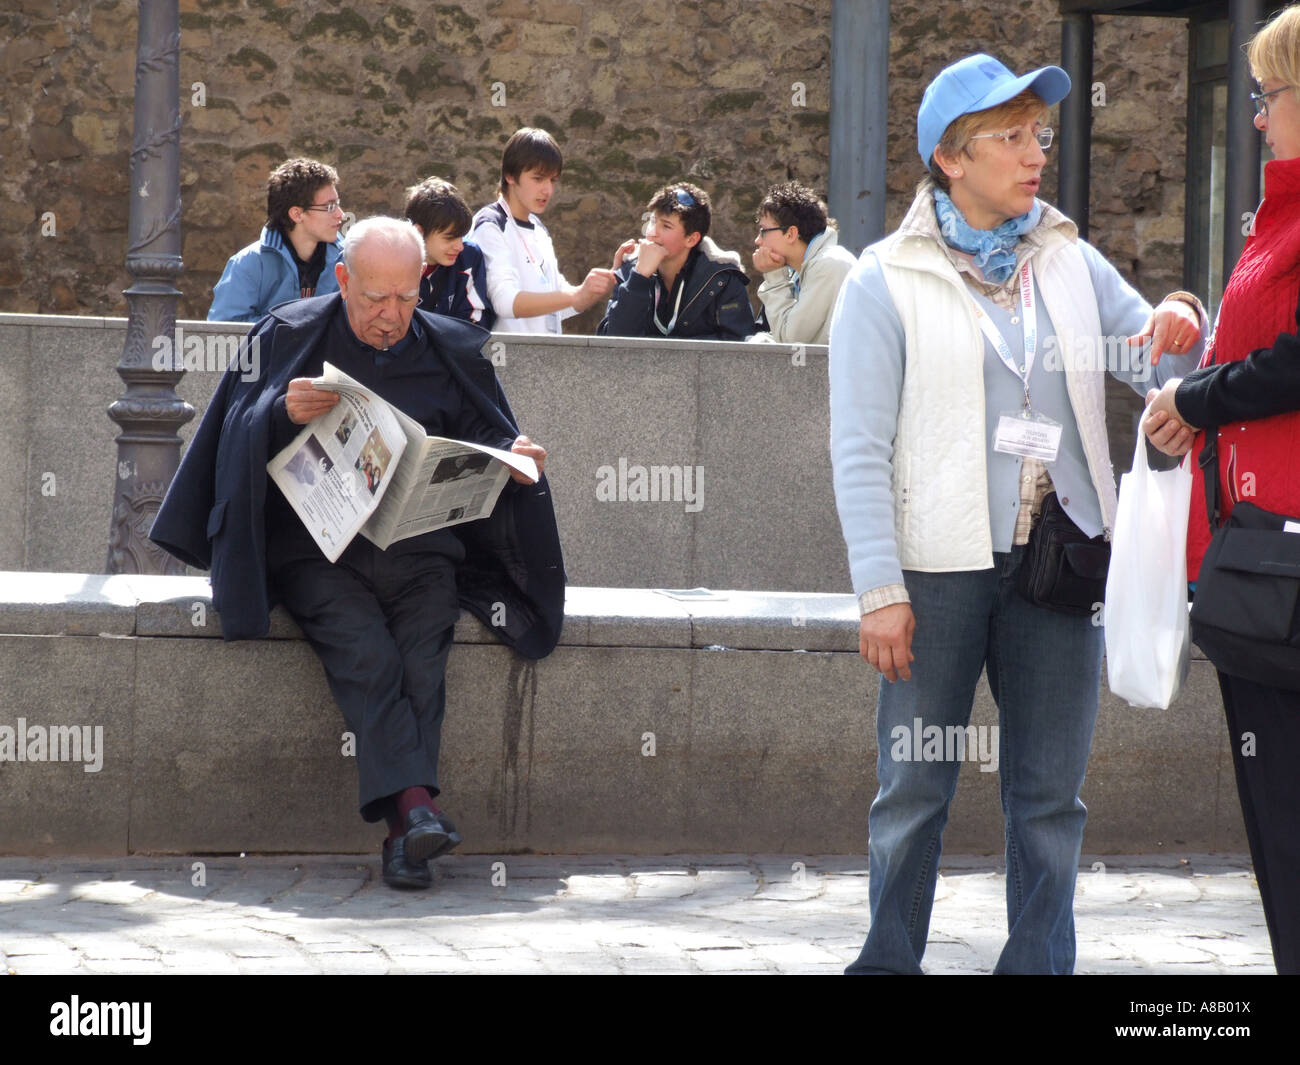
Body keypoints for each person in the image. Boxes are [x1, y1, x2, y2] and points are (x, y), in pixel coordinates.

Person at [828, 52, 1205, 974]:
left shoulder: (1066, 256)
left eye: (1040, 134)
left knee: (1049, 797)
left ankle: (1039, 964)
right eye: (1012, 137)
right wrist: (880, 588)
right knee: (913, 788)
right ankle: (887, 962)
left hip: (1058, 564)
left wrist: (1179, 315)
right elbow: (857, 446)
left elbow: (1152, 358)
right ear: (952, 159)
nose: (1036, 154)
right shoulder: (885, 278)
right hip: (935, 573)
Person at [151, 217, 565, 890]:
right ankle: (414, 810)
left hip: (420, 549)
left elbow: (494, 434)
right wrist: (280, 412)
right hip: (318, 552)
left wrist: (515, 455)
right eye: (376, 298)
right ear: (343, 280)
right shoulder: (286, 334)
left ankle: (409, 833)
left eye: (406, 297)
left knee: (422, 662)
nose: (392, 315)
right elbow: (233, 430)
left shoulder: (450, 348)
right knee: (368, 655)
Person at [1142, 3, 1300, 976]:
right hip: (1254, 558)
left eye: (1269, 93)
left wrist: (1195, 399)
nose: (1255, 116)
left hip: (1281, 569)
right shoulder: (1276, 211)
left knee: (1284, 822)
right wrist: (1190, 325)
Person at [471, 127, 616, 333]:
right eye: (538, 178)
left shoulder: (539, 228)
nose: (547, 190)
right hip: (503, 360)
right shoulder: (489, 225)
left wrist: (602, 282)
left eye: (552, 180)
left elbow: (556, 306)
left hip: (543, 358)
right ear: (510, 175)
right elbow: (504, 302)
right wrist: (575, 296)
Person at [598, 182, 755, 341]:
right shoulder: (631, 270)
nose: (651, 233)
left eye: (666, 226)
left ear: (691, 239)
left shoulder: (724, 277)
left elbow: (739, 346)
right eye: (652, 221)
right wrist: (639, 278)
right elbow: (613, 343)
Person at [209, 158, 345, 322]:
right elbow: (222, 332)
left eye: (337, 204)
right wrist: (292, 329)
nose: (341, 214)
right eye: (329, 207)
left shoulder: (347, 260)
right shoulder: (249, 263)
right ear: (296, 214)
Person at [750, 181, 857, 345]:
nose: (758, 241)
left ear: (791, 234)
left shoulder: (829, 265)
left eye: (764, 231)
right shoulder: (803, 270)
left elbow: (792, 342)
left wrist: (775, 277)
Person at [404, 176, 495, 329]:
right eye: (450, 238)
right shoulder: (392, 260)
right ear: (419, 232)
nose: (459, 246)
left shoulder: (469, 256)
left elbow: (476, 325)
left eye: (461, 236)